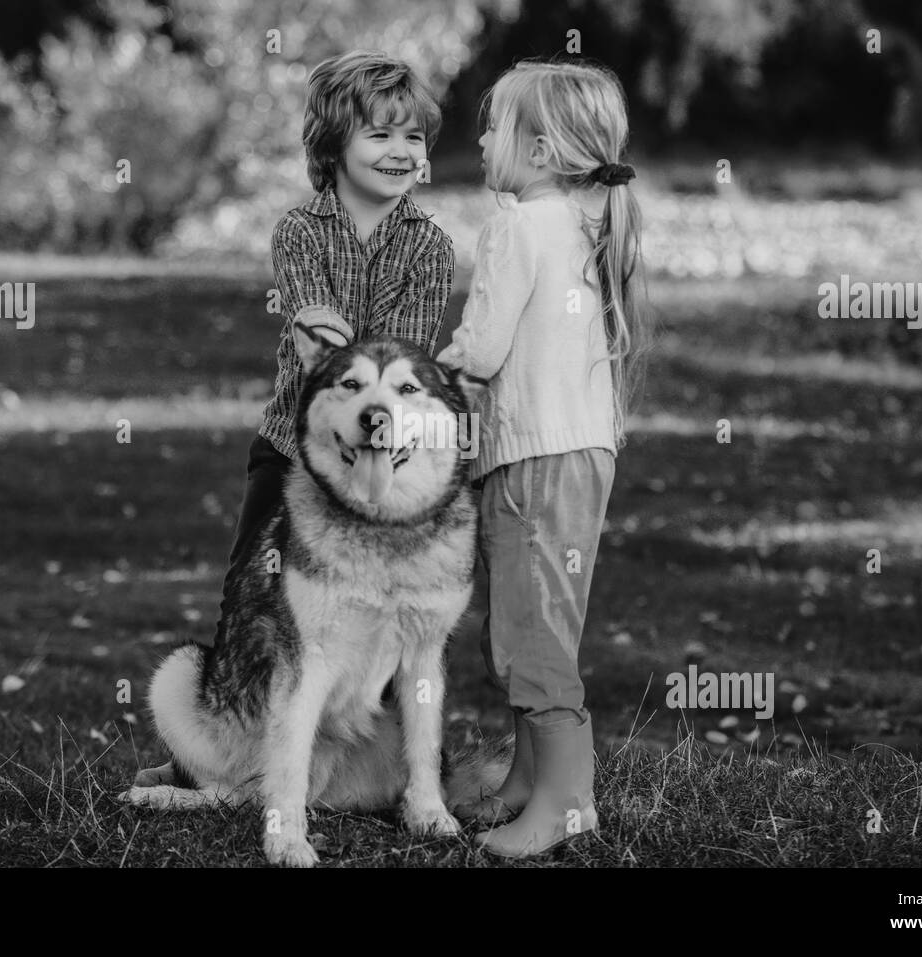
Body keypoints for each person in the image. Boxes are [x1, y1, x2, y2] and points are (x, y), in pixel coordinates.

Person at [134, 50, 453, 787]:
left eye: (414, 139)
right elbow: (315, 325)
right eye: (381, 135)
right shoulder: (300, 231)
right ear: (334, 143)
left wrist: (353, 372)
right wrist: (327, 338)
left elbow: (398, 361)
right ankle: (215, 755)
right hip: (289, 446)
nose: (402, 152)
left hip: (381, 463)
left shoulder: (430, 248)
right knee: (249, 593)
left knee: (394, 614)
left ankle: (393, 766)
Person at [436, 59, 651, 857]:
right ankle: (529, 779)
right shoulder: (582, 223)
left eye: (496, 125)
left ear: (539, 147)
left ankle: (564, 802)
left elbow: (485, 347)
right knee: (534, 620)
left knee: (533, 636)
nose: (483, 136)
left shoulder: (517, 225)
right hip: (579, 453)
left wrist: (430, 377)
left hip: (535, 457)